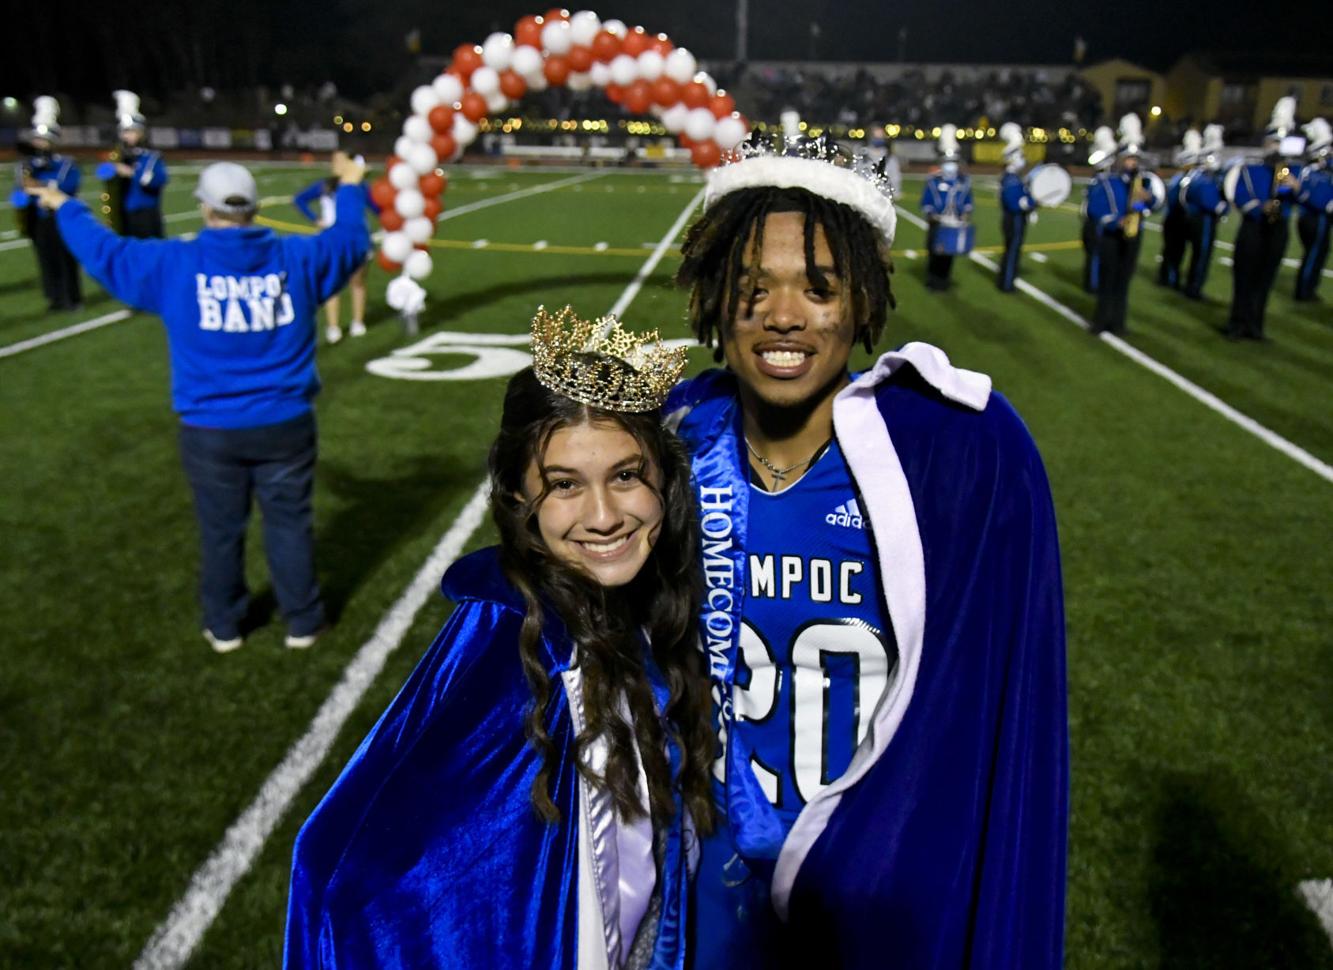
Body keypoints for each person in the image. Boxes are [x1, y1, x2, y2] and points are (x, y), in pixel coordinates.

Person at [672, 136, 1068, 969]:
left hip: (879, 875)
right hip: (709, 871)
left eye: (818, 289)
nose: (782, 315)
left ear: (862, 301)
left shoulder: (950, 454)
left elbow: (1000, 698)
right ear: (714, 299)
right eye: (751, 289)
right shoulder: (674, 440)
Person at [284, 307, 715, 969]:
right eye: (564, 486)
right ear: (518, 497)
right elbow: (340, 868)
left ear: (664, 479)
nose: (603, 517)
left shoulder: (630, 606)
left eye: (626, 475)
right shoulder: (506, 644)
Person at [28, 158, 371, 651]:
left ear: (204, 209)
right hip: (286, 423)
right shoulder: (298, 256)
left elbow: (105, 251)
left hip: (210, 430)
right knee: (290, 526)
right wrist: (353, 189)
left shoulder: (176, 263)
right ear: (254, 209)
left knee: (221, 531)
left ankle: (226, 623)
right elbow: (349, 241)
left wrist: (67, 207)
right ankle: (302, 620)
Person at [1226, 97, 1302, 340]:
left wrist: (1296, 188)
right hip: (1253, 228)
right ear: (1266, 143)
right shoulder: (1250, 168)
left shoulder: (1294, 171)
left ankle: (1256, 325)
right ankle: (1237, 324)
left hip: (1278, 228)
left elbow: (1305, 200)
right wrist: (1260, 207)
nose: (1277, 148)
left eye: (1281, 143)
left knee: (1265, 279)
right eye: (1273, 142)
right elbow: (1239, 196)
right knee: (1245, 277)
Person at [293, 150, 378, 343]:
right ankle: (333, 327)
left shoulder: (359, 187)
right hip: (329, 243)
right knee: (332, 284)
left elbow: (376, 208)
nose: (335, 163)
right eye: (333, 159)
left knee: (357, 282)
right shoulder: (325, 186)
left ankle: (358, 322)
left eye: (340, 160)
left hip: (357, 241)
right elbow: (299, 199)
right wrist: (316, 219)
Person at [1086, 113, 1159, 334]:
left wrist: (1149, 200)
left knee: (1123, 282)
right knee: (1107, 280)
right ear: (1120, 159)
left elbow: (1155, 205)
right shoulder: (1107, 181)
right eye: (1128, 158)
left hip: (1133, 236)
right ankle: (1101, 321)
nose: (1132, 163)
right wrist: (1114, 222)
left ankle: (1118, 322)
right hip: (1112, 237)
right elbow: (1094, 209)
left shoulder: (1142, 182)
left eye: (1135, 159)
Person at [11, 96, 82, 311]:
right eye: (36, 140)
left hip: (61, 218)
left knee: (65, 260)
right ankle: (55, 298)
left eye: (43, 140)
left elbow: (69, 187)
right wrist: (22, 191)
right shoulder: (27, 166)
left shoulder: (65, 164)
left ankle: (72, 298)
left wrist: (39, 182)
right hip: (39, 220)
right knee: (46, 260)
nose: (39, 144)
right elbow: (18, 195)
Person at [106, 89, 168, 238]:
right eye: (125, 132)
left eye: (131, 132)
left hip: (146, 214)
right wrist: (112, 168)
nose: (127, 136)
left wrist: (131, 173)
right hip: (124, 213)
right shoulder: (119, 156)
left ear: (141, 133)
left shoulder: (151, 157)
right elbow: (102, 173)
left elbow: (159, 180)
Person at [919, 123, 973, 291]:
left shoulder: (963, 181)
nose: (951, 165)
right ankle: (932, 281)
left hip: (953, 222)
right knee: (935, 252)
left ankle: (944, 280)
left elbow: (967, 201)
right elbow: (926, 201)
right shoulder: (934, 181)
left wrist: (965, 213)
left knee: (949, 253)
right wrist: (932, 215)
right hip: (937, 222)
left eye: (953, 162)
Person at [1181, 125, 1230, 300]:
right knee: (1201, 255)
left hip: (1198, 218)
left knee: (1199, 255)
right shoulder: (1204, 178)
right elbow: (1210, 202)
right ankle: (1194, 289)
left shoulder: (1198, 175)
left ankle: (1192, 285)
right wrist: (1223, 208)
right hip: (1203, 220)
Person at [1293, 117, 1332, 302]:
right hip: (1314, 217)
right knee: (1313, 253)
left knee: (1319, 253)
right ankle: (1304, 291)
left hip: (1315, 217)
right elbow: (1305, 194)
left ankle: (1309, 288)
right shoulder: (1312, 172)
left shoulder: (1315, 171)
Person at [1158, 129, 1200, 289]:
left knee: (1177, 251)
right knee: (1172, 251)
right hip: (1173, 219)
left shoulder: (1184, 179)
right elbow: (1175, 199)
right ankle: (1168, 278)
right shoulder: (1179, 180)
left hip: (1180, 220)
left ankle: (1170, 277)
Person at [997, 121, 1035, 292]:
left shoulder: (1014, 177)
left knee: (1013, 250)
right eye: (1019, 155)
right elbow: (1016, 204)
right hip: (1014, 219)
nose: (1023, 158)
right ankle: (1007, 284)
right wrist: (1034, 202)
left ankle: (1007, 279)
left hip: (1015, 219)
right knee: (1012, 252)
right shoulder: (1011, 179)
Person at [1080, 125, 1118, 294]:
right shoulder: (1104, 181)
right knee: (1096, 255)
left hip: (1090, 221)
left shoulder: (1097, 180)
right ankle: (1093, 285)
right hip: (1097, 223)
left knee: (1093, 255)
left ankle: (1091, 282)